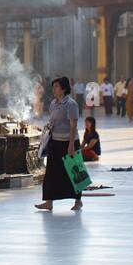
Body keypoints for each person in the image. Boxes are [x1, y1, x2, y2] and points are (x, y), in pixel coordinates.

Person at [36, 76, 83, 212]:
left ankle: (78, 201)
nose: (54, 89)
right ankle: (48, 201)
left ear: (63, 88)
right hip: (55, 142)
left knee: (74, 171)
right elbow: (53, 121)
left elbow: (73, 126)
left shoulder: (71, 104)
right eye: (53, 87)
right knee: (51, 172)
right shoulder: (53, 104)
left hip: (69, 142)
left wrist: (71, 145)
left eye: (56, 87)